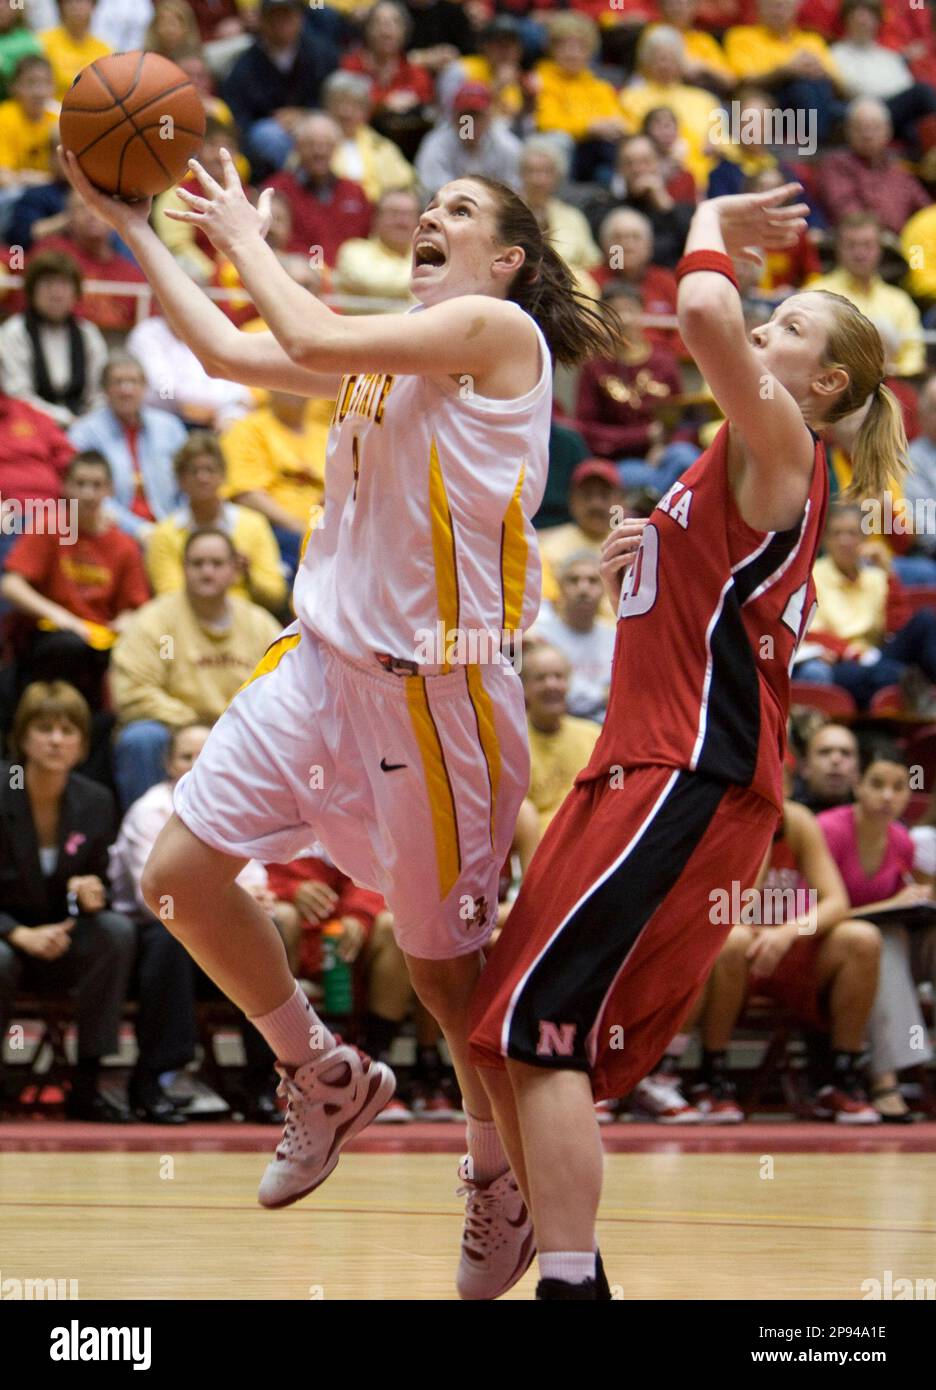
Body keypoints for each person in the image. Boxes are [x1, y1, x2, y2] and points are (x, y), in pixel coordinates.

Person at [60, 133, 618, 1301]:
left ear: (508, 260)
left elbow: (305, 329)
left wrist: (248, 239)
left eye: (457, 207)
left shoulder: (497, 337)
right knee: (174, 877)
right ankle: (320, 1071)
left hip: (436, 700)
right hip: (319, 666)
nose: (430, 211)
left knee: (447, 981)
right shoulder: (387, 358)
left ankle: (504, 1182)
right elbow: (224, 347)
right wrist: (131, 229)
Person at [469, 181, 907, 1297]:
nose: (766, 330)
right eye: (773, 319)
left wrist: (708, 213)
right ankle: (554, 1244)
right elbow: (704, 610)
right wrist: (635, 581)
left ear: (828, 387)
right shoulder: (723, 461)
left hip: (687, 780)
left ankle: (573, 1281)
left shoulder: (786, 447)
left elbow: (705, 314)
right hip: (637, 772)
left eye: (792, 328)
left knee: (542, 1030)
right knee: (502, 1029)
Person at [110, 722, 289, 1124]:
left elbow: (256, 883)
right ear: (167, 763)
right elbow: (157, 897)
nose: (195, 766)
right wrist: (228, 896)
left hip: (211, 932)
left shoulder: (235, 807)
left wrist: (240, 898)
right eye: (185, 757)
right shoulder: (150, 809)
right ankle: (158, 1077)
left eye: (203, 756)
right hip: (151, 939)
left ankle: (264, 1081)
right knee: (170, 936)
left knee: (267, 931)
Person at [691, 797, 881, 1124]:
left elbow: (836, 902)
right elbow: (733, 905)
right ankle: (713, 1078)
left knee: (862, 939)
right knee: (732, 940)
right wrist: (761, 830)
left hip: (787, 949)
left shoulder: (799, 821)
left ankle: (841, 1080)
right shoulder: (721, 813)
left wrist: (788, 932)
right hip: (736, 954)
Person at [0, 680, 135, 1121]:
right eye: (44, 728)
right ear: (22, 737)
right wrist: (19, 933)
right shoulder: (4, 788)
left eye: (68, 730)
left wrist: (89, 897)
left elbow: (100, 881)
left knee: (114, 931)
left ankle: (89, 1081)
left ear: (82, 742)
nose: (57, 740)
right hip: (10, 936)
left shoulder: (94, 800)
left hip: (62, 936)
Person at [109, 526, 281, 808]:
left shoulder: (259, 624)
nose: (207, 572)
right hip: (175, 730)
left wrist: (230, 727)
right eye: (197, 563)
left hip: (241, 730)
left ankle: (266, 847)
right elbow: (133, 693)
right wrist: (193, 726)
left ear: (234, 570)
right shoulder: (154, 620)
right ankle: (149, 832)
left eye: (216, 564)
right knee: (141, 738)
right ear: (183, 568)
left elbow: (282, 690)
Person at [819, 744, 935, 1121]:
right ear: (858, 786)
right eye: (877, 784)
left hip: (876, 958)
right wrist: (886, 908)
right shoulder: (829, 830)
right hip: (819, 951)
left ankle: (889, 1075)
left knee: (891, 938)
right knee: (875, 938)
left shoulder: (902, 840)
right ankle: (885, 1080)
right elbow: (810, 914)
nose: (888, 796)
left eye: (899, 786)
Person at [1, 449, 149, 714]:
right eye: (80, 484)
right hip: (47, 639)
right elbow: (11, 585)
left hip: (100, 643)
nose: (88, 493)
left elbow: (134, 607)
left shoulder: (124, 546)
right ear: (65, 487)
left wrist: (125, 621)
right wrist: (61, 617)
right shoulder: (49, 527)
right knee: (68, 645)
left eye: (97, 485)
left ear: (110, 490)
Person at [793, 502, 936, 709]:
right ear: (825, 540)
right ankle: (914, 685)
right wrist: (854, 653)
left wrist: (889, 574)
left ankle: (915, 684)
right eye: (837, 534)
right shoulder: (812, 577)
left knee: (924, 620)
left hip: (877, 655)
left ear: (864, 539)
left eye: (852, 533)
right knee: (885, 673)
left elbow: (897, 626)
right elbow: (809, 633)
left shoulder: (875, 576)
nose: (844, 541)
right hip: (840, 663)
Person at [146, 431, 286, 613]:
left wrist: (248, 575)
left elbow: (276, 596)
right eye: (193, 471)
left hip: (247, 622)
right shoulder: (164, 534)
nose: (202, 478)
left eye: (210, 470)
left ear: (223, 476)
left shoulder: (254, 524)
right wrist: (219, 574)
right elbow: (169, 599)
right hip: (188, 627)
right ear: (180, 480)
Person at [67, 353, 187, 541]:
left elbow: (188, 485)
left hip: (174, 531)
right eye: (118, 382)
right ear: (105, 389)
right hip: (112, 531)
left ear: (145, 386)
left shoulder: (170, 427)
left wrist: (179, 525)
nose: (126, 390)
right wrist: (140, 530)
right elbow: (85, 493)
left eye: (133, 382)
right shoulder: (83, 433)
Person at [219, 387, 330, 582]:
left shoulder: (327, 433)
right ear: (268, 388)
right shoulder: (247, 429)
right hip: (276, 531)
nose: (293, 389)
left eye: (300, 382)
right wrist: (300, 527)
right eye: (286, 381)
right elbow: (246, 494)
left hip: (324, 531)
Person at [220, 0, 338, 179]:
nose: (280, 24)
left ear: (300, 18)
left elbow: (334, 101)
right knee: (269, 135)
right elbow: (237, 115)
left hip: (314, 125)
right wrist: (273, 121)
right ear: (262, 21)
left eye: (286, 17)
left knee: (320, 130)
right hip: (266, 144)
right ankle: (293, 184)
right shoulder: (245, 64)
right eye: (273, 17)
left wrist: (304, 115)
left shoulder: (322, 54)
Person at [808, 214, 925, 378]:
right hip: (832, 384)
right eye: (851, 245)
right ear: (838, 248)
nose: (859, 253)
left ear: (880, 248)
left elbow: (914, 353)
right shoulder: (815, 294)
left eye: (867, 245)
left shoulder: (899, 300)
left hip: (893, 385)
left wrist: (892, 373)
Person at [0, 249, 107, 427]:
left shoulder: (87, 332)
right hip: (30, 426)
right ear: (32, 290)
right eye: (48, 284)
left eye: (64, 284)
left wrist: (88, 423)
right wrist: (64, 419)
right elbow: (17, 394)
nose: (57, 294)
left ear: (76, 293)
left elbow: (99, 393)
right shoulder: (14, 331)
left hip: (84, 425)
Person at [261, 112, 372, 271]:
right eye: (311, 144)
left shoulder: (355, 192)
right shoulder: (276, 189)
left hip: (346, 284)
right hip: (292, 278)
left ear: (336, 149)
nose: (319, 152)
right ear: (297, 147)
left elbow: (366, 242)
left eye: (326, 145)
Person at [29, 188, 148, 331]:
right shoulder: (50, 251)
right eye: (82, 207)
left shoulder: (132, 273)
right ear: (68, 217)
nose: (92, 214)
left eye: (101, 207)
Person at [521, 641, 601, 836]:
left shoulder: (593, 735)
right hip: (539, 849)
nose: (551, 685)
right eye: (540, 678)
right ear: (523, 688)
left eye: (558, 677)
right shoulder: (512, 742)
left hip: (594, 838)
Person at [818, 98, 930, 237]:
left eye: (874, 128)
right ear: (847, 131)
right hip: (861, 244)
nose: (867, 135)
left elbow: (924, 208)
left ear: (888, 131)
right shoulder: (836, 164)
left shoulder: (898, 168)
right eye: (860, 128)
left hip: (902, 243)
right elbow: (848, 213)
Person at [530, 554, 615, 722]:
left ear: (605, 589)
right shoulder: (538, 637)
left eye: (592, 581)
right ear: (560, 587)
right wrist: (604, 695)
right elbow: (545, 696)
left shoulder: (617, 638)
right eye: (573, 580)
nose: (583, 588)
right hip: (556, 729)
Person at [539, 458, 624, 621]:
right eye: (587, 495)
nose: (596, 504)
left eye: (604, 495)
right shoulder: (550, 548)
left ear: (619, 500)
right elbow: (545, 613)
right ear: (572, 500)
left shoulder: (631, 546)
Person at [322, 69, 417, 204]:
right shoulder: (311, 142)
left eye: (354, 105)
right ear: (327, 107)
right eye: (339, 103)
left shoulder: (381, 146)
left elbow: (406, 185)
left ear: (366, 112)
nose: (346, 112)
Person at [415, 81, 523, 195]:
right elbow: (432, 190)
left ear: (489, 117)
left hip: (495, 209)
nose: (469, 123)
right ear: (453, 117)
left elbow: (515, 189)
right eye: (465, 115)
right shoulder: (436, 145)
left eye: (476, 115)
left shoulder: (507, 145)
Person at [334, 186, 420, 302]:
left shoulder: (428, 255)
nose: (401, 221)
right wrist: (423, 283)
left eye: (408, 214)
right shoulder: (354, 251)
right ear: (376, 218)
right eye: (393, 213)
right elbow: (368, 282)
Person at [40, 0, 110, 102]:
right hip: (52, 113)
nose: (76, 5)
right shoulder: (43, 42)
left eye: (82, 1)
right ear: (61, 6)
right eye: (70, 1)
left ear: (93, 6)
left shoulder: (105, 49)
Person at [792, 721, 859, 814]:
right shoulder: (786, 817)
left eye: (845, 753)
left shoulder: (872, 816)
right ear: (805, 766)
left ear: (857, 770)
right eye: (825, 752)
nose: (836, 760)